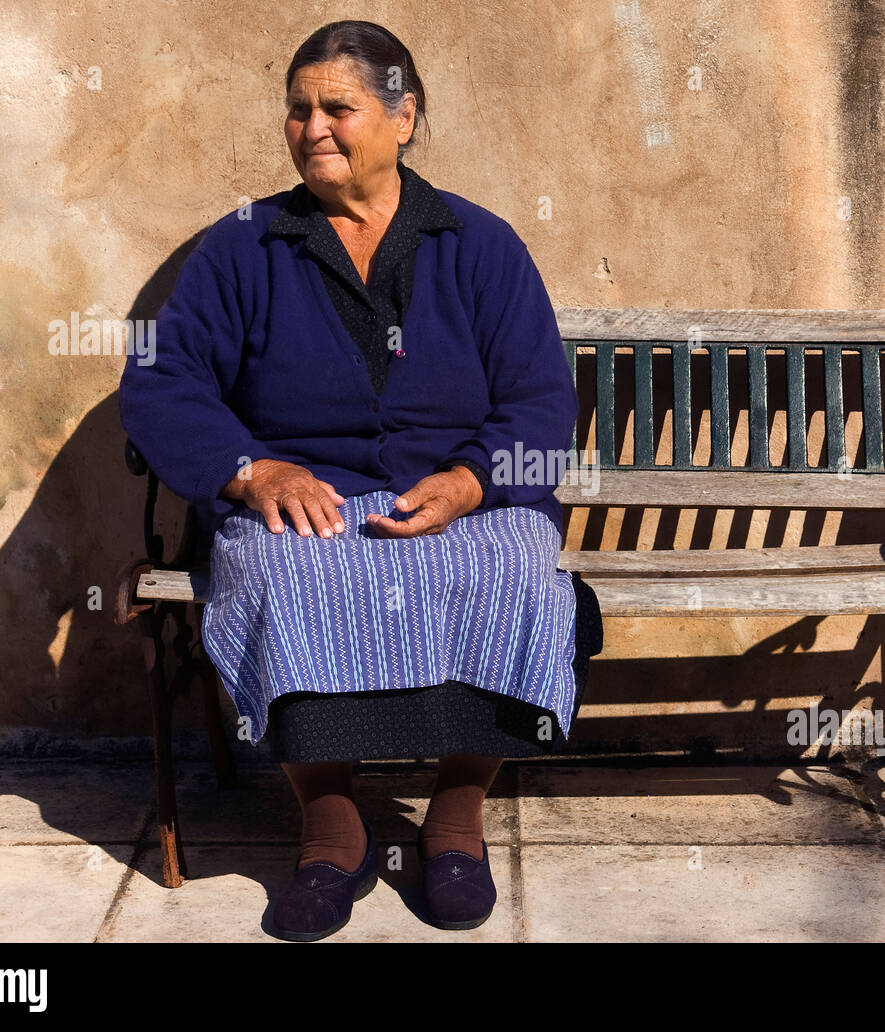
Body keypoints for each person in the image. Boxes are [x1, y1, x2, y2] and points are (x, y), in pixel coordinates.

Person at [119, 20, 601, 940]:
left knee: (514, 572)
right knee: (279, 571)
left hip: (461, 494)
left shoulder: (479, 244)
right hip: (312, 500)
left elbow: (540, 399)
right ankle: (331, 830)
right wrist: (251, 470)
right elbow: (162, 380)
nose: (313, 128)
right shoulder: (246, 246)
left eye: (337, 107)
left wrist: (470, 481)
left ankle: (456, 823)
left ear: (402, 116)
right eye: (297, 110)